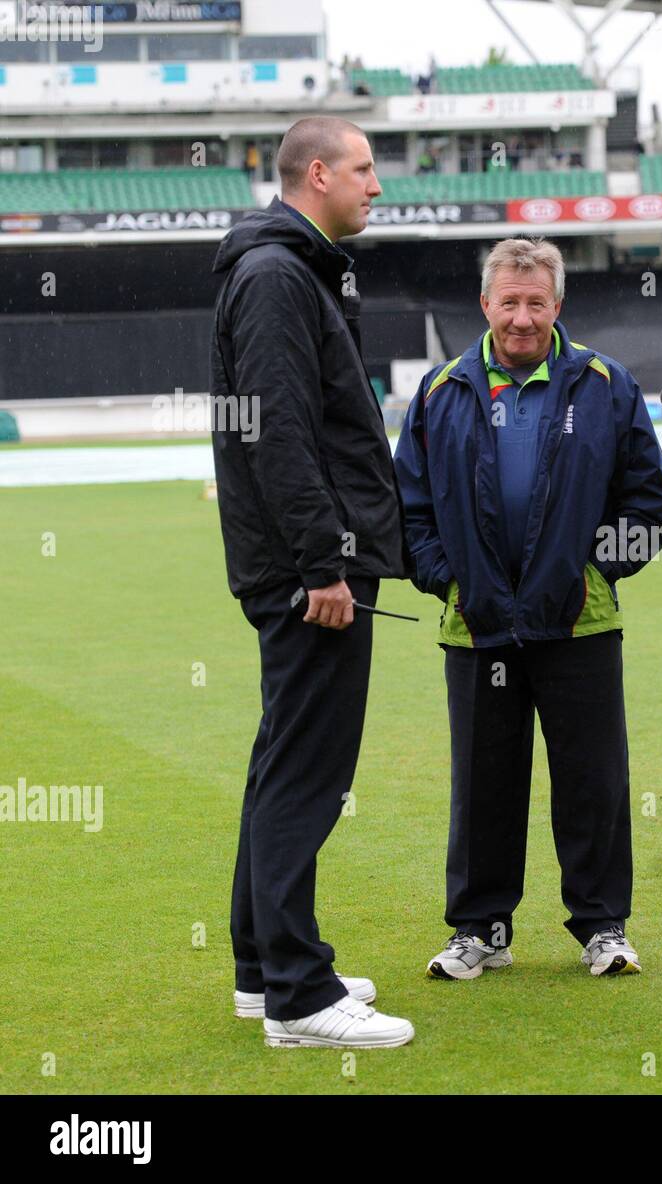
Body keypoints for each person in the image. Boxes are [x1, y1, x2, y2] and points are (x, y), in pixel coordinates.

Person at [394, 237, 662, 982]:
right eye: (509, 302)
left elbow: (651, 507)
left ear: (558, 305)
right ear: (485, 304)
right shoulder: (440, 391)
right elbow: (407, 513)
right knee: (483, 784)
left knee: (594, 783)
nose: (522, 317)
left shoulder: (605, 384)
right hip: (478, 623)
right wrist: (447, 583)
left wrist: (593, 574)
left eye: (536, 302)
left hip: (578, 623)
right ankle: (479, 930)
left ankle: (603, 928)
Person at [210, 116, 415, 1049]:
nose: (378, 185)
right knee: (307, 775)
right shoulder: (276, 276)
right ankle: (298, 994)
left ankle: (263, 969)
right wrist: (325, 563)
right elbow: (278, 435)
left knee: (283, 763)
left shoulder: (289, 269)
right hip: (310, 573)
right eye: (366, 169)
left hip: (304, 563)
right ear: (320, 172)